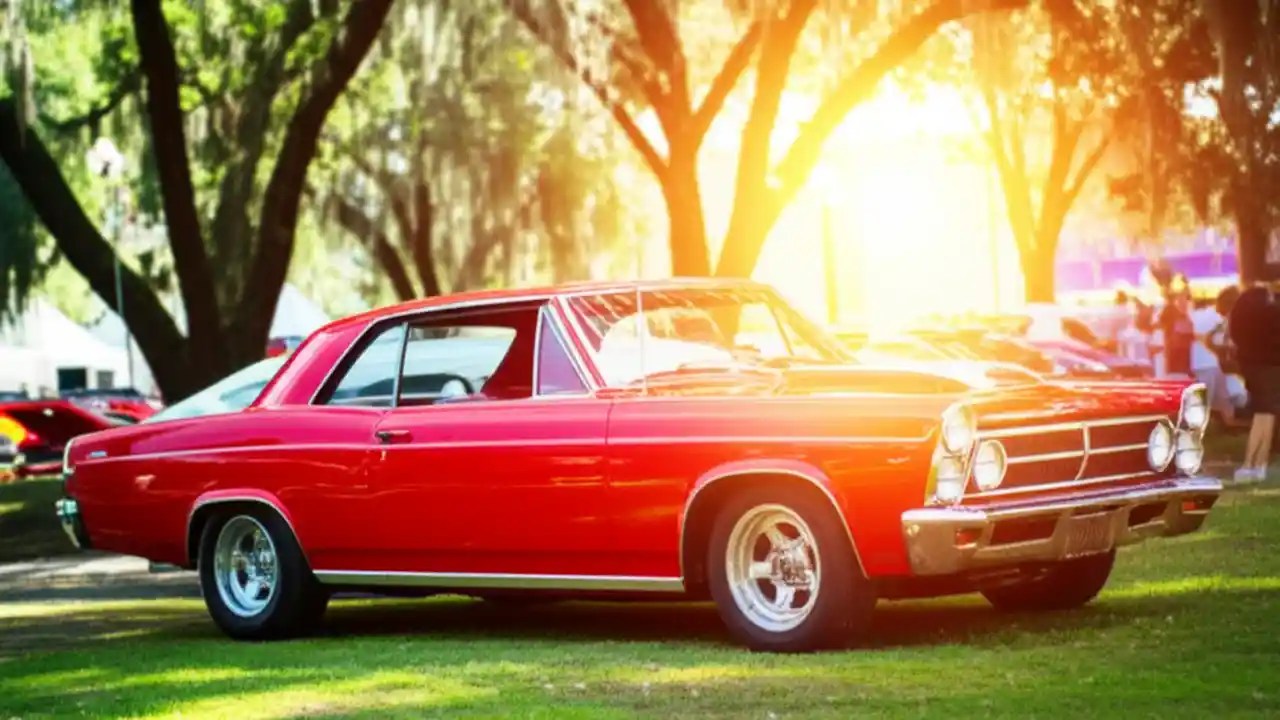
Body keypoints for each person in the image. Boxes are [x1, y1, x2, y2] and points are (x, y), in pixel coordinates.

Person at [1228, 285, 1280, 482]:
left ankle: (1251, 464)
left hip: (1255, 364)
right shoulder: (1272, 308)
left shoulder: (1249, 304)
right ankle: (1259, 465)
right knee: (1268, 414)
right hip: (1273, 365)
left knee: (1262, 413)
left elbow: (1236, 333)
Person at [1191, 287, 1242, 427]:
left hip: (1207, 364)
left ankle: (1228, 425)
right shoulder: (1215, 318)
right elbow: (1204, 339)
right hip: (1206, 364)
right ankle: (1206, 428)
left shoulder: (1201, 315)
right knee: (1209, 398)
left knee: (1219, 397)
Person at [1153, 290, 1195, 378]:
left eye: (1184, 302)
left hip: (1181, 356)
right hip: (1176, 355)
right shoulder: (1182, 317)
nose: (1183, 305)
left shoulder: (1188, 318)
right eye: (1180, 302)